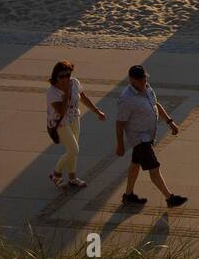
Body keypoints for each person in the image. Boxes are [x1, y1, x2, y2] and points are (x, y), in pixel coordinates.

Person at [115, 64, 187, 208]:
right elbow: (120, 123)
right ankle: (170, 198)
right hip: (140, 138)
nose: (143, 82)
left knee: (135, 165)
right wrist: (120, 145)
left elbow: (156, 105)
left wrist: (170, 122)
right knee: (154, 167)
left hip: (148, 135)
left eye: (144, 78)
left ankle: (128, 195)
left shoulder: (147, 87)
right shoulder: (126, 99)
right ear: (131, 80)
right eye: (140, 80)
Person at [46, 60, 106, 190]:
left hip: (74, 118)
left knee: (73, 151)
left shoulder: (75, 82)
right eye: (62, 76)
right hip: (60, 123)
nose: (65, 79)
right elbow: (61, 111)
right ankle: (56, 174)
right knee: (74, 149)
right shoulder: (52, 92)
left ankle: (73, 178)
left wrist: (97, 111)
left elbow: (83, 98)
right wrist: (66, 92)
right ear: (55, 76)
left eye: (68, 75)